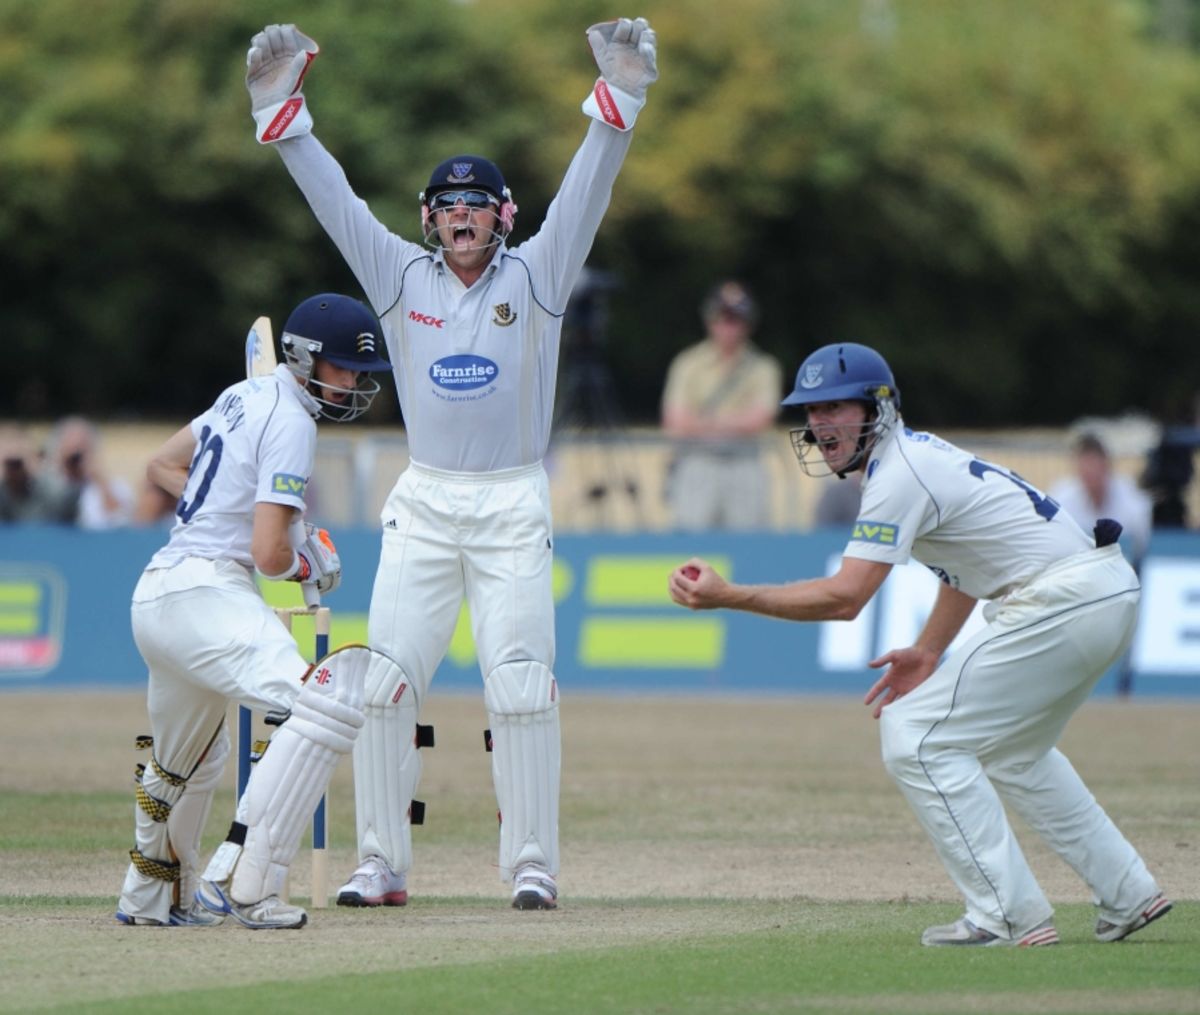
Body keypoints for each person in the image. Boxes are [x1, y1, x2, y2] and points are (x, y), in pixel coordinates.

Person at [244, 17, 658, 911]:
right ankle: (381, 863)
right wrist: (286, 116)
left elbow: (588, 192)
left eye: (478, 202)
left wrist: (618, 102)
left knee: (518, 688)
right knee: (384, 682)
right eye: (448, 204)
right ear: (430, 218)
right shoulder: (397, 278)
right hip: (424, 501)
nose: (462, 214)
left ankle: (533, 862)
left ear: (503, 216)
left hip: (512, 502)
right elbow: (337, 205)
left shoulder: (540, 275)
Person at [669, 342, 1171, 947]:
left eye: (836, 407)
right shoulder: (913, 459)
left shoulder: (898, 473)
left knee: (916, 733)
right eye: (813, 410)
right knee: (1015, 753)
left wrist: (731, 596)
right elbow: (962, 566)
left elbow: (845, 597)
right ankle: (1129, 892)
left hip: (1062, 600)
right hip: (1100, 593)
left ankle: (1005, 913)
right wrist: (930, 650)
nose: (821, 423)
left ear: (878, 409)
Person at [115, 294, 395, 930]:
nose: (354, 383)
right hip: (209, 594)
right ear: (303, 359)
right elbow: (269, 556)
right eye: (346, 369)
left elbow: (161, 465)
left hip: (159, 594)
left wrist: (237, 516)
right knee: (325, 704)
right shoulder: (293, 421)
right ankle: (241, 881)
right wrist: (306, 562)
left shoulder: (238, 397)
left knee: (184, 761)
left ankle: (150, 896)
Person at [660, 281, 783, 530]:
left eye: (736, 319)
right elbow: (675, 421)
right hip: (698, 463)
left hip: (745, 464)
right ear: (710, 320)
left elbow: (761, 419)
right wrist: (733, 422)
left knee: (749, 541)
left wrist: (704, 423)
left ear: (748, 323)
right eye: (723, 318)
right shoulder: (688, 363)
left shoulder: (763, 367)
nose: (729, 327)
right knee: (692, 541)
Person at [1049, 432, 1153, 566]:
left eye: (1095, 465)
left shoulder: (1132, 500)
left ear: (1107, 465)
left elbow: (1142, 545)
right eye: (1086, 465)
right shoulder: (1061, 498)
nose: (1091, 472)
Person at [47, 416, 135, 529]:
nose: (75, 458)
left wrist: (100, 481)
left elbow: (121, 522)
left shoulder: (114, 486)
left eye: (81, 449)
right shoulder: (46, 484)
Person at [0, 425, 76, 524]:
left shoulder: (45, 489)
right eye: (9, 462)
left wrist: (36, 473)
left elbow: (67, 507)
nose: (13, 467)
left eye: (17, 462)